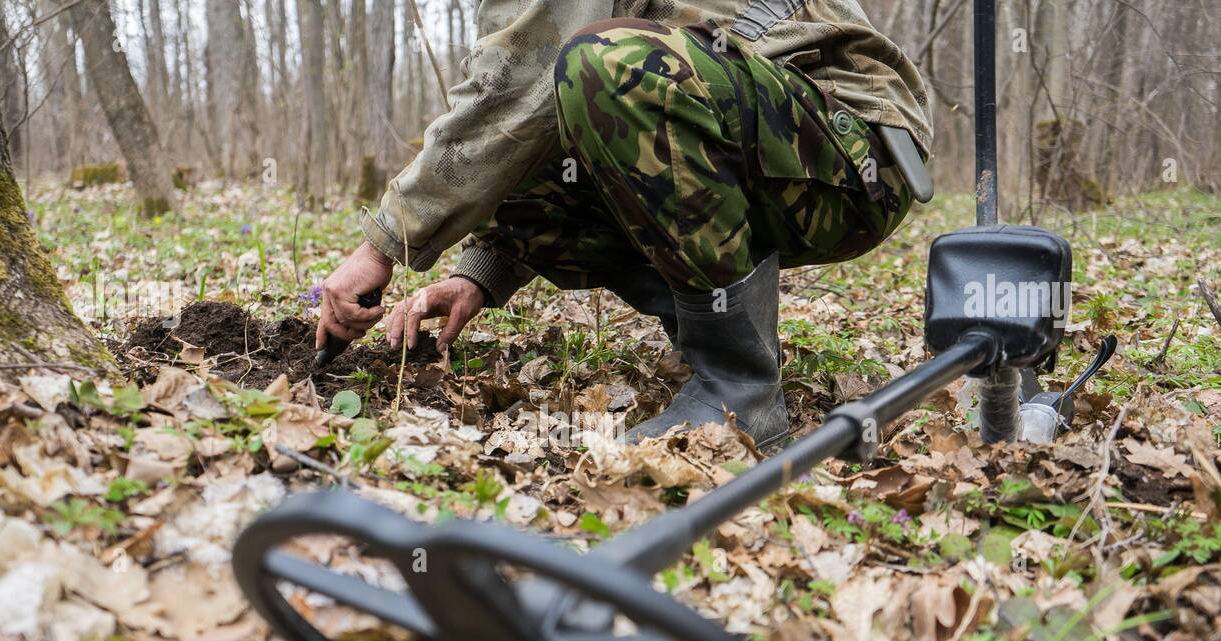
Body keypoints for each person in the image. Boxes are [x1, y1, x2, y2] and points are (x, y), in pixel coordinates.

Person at [317, 0, 931, 448]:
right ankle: (719, 330)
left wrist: (383, 243)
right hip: (763, 137)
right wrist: (482, 273)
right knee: (542, 126)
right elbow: (524, 136)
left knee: (608, 62)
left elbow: (518, 89)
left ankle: (740, 388)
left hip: (853, 145)